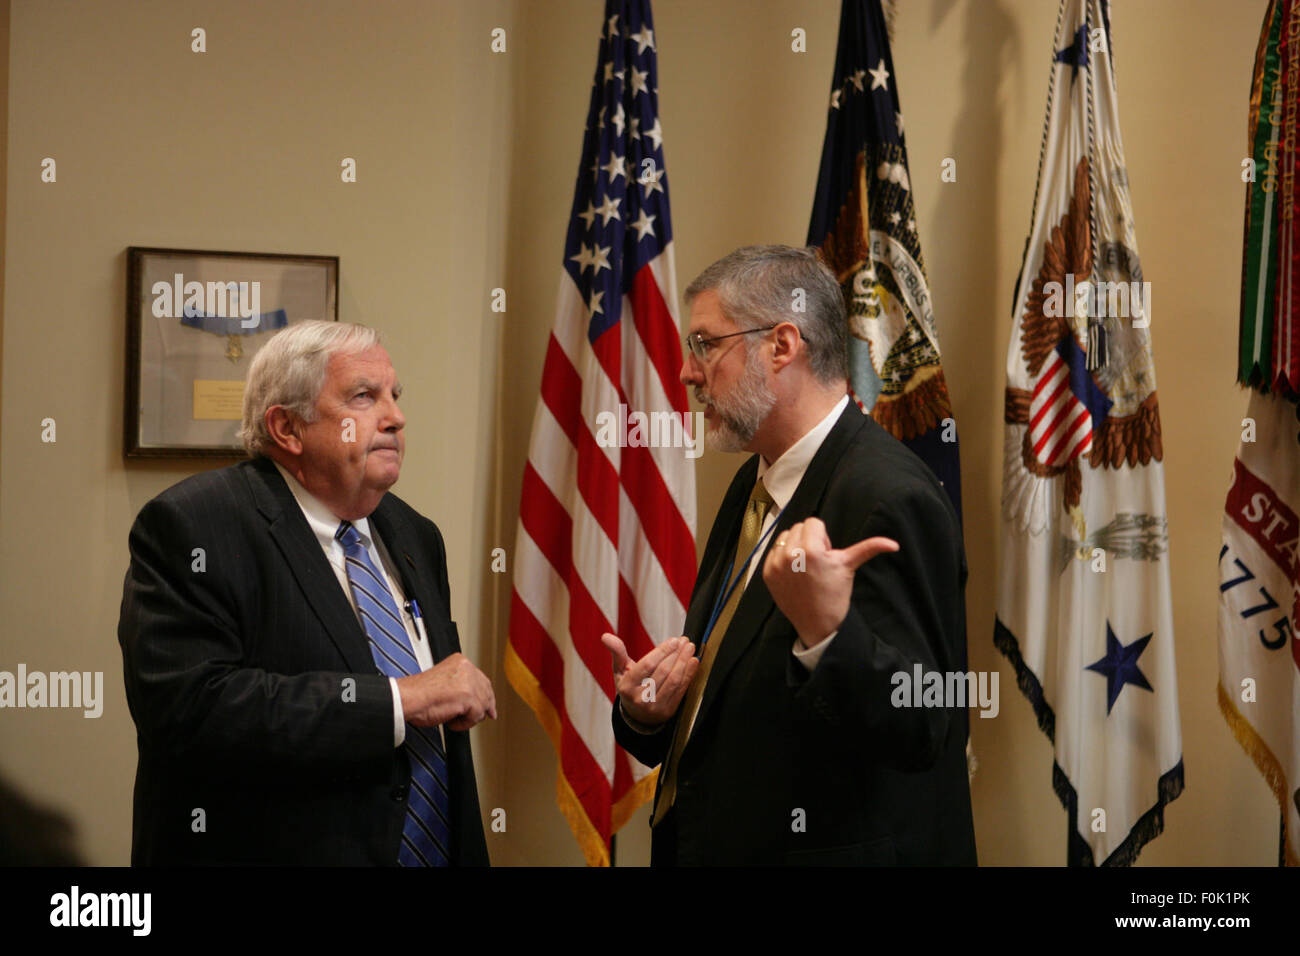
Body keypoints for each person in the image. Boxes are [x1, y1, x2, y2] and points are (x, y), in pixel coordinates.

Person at [604, 245, 977, 865]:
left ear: (782, 345)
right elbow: (740, 705)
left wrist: (828, 633)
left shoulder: (889, 495)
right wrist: (650, 717)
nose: (686, 372)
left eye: (704, 344)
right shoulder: (754, 484)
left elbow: (925, 726)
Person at [118, 321, 494, 866]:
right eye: (364, 397)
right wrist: (402, 700)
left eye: (394, 395)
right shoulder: (194, 527)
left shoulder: (415, 535)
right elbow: (191, 710)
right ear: (288, 428)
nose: (395, 416)